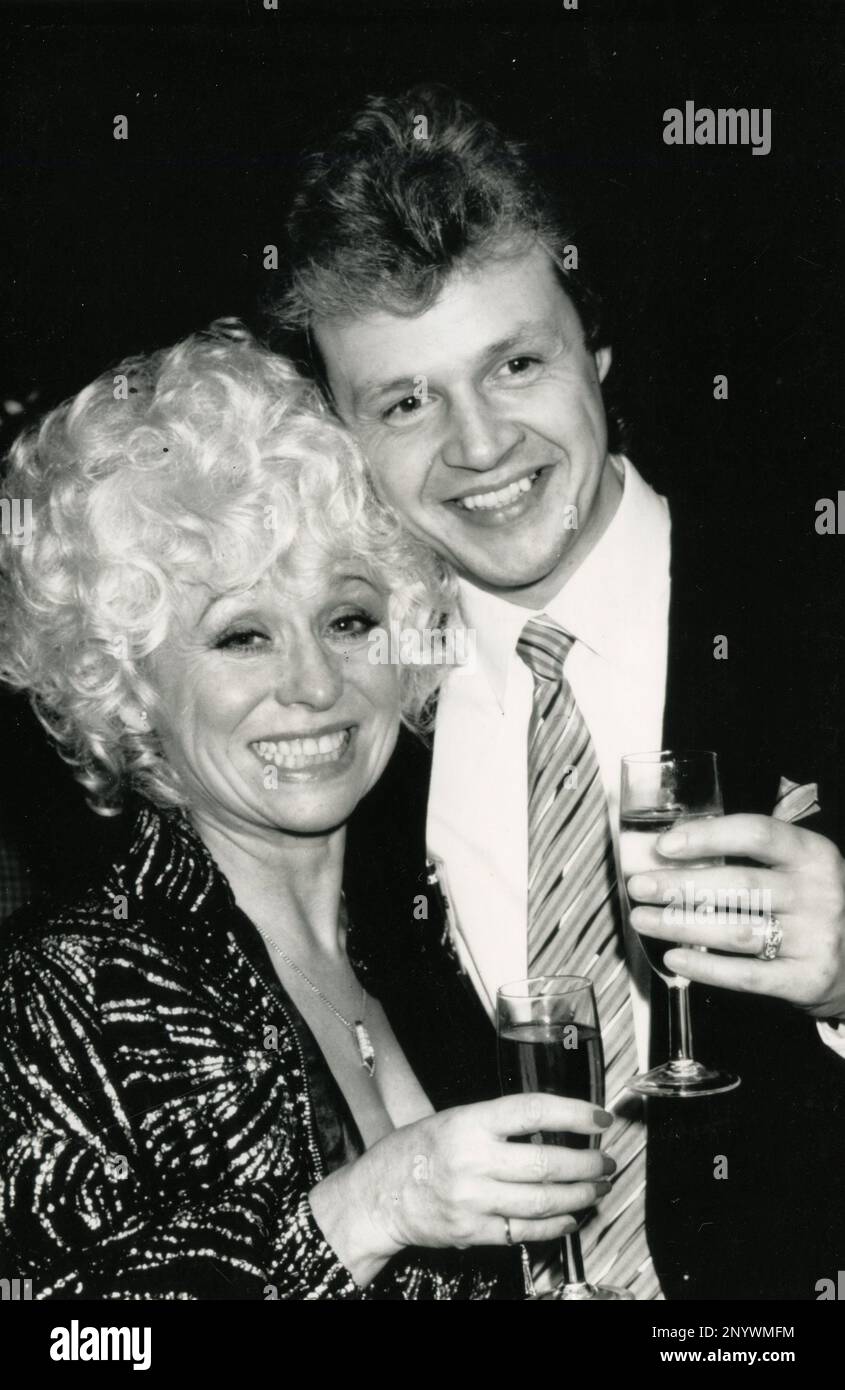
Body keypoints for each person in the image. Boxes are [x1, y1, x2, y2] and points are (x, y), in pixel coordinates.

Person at [267, 85, 845, 1300]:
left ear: (598, 349)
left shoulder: (812, 604)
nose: (477, 447)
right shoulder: (345, 725)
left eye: (515, 362)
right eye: (405, 400)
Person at [0, 326, 618, 1300]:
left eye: (348, 619)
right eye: (241, 635)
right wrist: (369, 1209)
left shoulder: (435, 941)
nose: (314, 682)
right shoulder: (68, 993)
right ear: (126, 678)